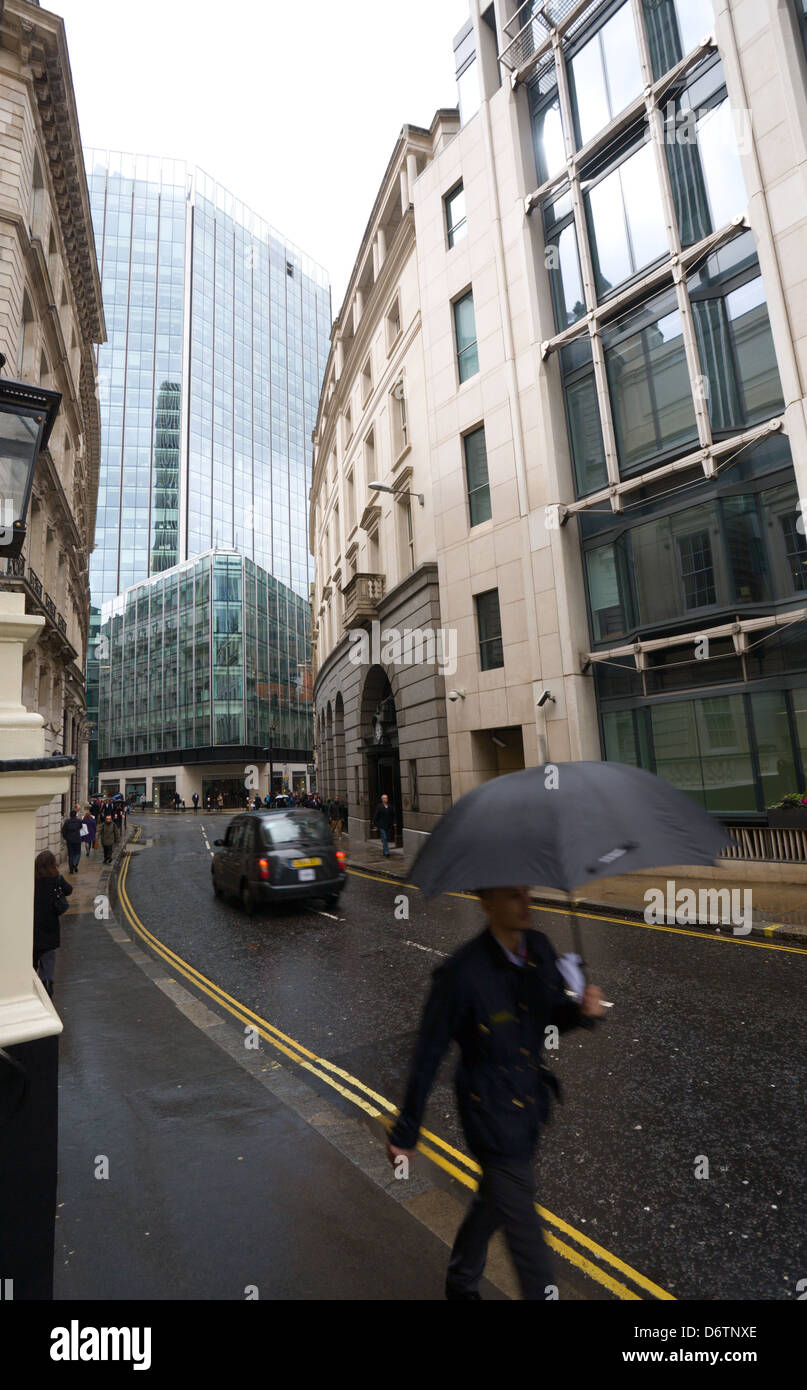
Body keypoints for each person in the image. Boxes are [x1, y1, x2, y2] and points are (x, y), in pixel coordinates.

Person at [386, 885, 606, 1300]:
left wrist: (581, 1012)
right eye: (511, 894)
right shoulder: (461, 974)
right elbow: (428, 1055)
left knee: (495, 1198)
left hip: (530, 1105)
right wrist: (405, 1131)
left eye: (526, 891)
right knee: (526, 1234)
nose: (526, 902)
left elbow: (547, 1017)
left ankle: (460, 1278)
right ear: (487, 903)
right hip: (489, 1116)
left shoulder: (538, 947)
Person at [33, 849, 72, 998]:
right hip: (50, 925)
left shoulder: (31, 879)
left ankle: (34, 986)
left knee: (34, 957)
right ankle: (47, 985)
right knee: (48, 958)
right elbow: (69, 890)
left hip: (34, 925)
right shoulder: (56, 879)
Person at [61, 806, 83, 874]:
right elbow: (81, 827)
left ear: (70, 815)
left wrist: (66, 838)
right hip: (77, 840)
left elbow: (63, 831)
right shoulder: (79, 821)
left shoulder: (67, 822)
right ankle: (75, 864)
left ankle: (71, 870)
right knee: (78, 853)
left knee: (70, 855)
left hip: (69, 841)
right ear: (76, 815)